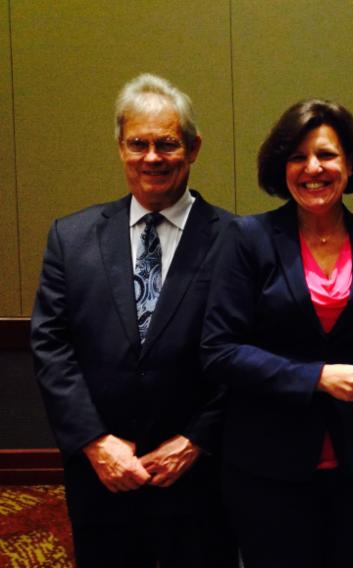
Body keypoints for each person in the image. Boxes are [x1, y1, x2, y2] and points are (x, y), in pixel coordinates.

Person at [30, 73, 236, 567]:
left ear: (193, 147)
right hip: (101, 477)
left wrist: (196, 441)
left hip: (199, 478)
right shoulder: (71, 237)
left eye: (166, 143)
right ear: (120, 147)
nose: (152, 157)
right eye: (137, 143)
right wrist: (96, 443)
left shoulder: (237, 240)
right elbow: (50, 346)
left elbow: (246, 350)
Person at [201, 99, 353, 568]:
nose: (313, 168)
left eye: (327, 155)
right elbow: (218, 350)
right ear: (281, 167)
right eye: (297, 156)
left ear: (350, 164)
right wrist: (317, 377)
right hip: (268, 470)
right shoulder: (246, 239)